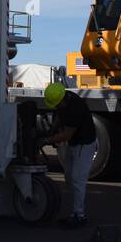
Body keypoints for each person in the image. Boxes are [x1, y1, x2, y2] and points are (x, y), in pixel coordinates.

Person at [43, 81, 97, 228]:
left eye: (56, 104)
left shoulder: (75, 107)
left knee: (77, 179)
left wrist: (46, 139)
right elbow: (60, 117)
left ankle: (79, 215)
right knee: (69, 176)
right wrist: (52, 129)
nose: (55, 107)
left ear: (62, 99)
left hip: (83, 145)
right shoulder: (65, 100)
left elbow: (66, 135)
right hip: (75, 143)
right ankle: (73, 211)